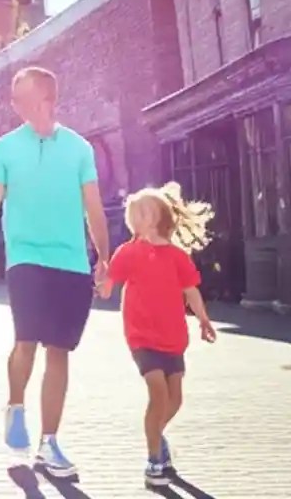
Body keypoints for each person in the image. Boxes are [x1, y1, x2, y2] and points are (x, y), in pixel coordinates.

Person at [0, 66, 110, 479]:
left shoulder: (79, 149)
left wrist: (104, 259)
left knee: (59, 351)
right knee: (26, 341)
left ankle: (49, 443)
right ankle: (16, 404)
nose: (12, 103)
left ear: (45, 98)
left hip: (72, 263)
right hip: (25, 259)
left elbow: (93, 206)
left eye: (19, 95)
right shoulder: (5, 148)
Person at [97, 182, 216, 489]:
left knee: (175, 397)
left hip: (173, 335)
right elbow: (111, 280)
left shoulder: (177, 256)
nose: (139, 217)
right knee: (158, 393)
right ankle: (154, 461)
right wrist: (104, 284)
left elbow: (191, 290)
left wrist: (203, 319)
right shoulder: (129, 252)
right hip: (141, 335)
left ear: (160, 216)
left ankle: (156, 435)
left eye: (145, 211)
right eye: (134, 214)